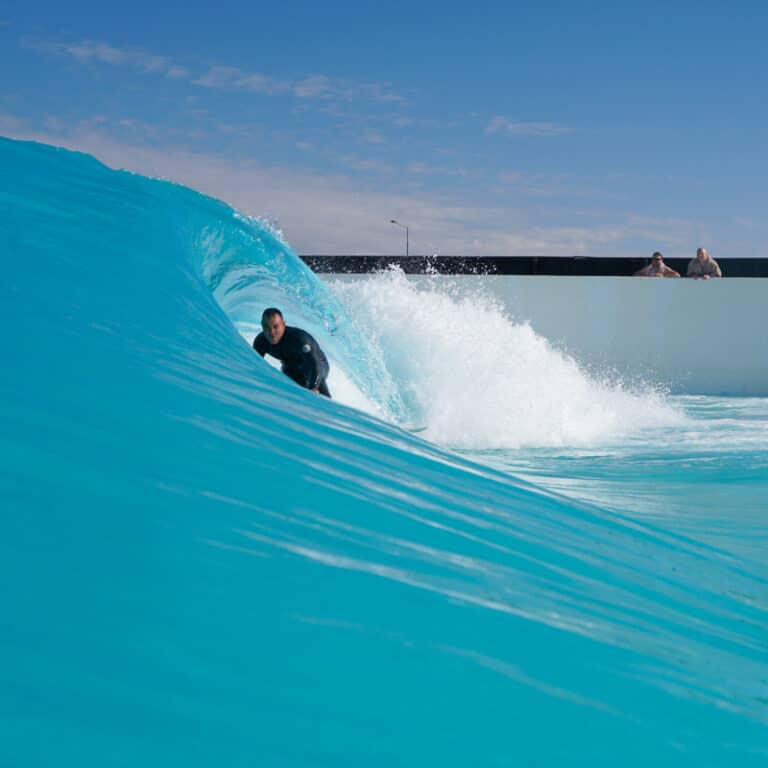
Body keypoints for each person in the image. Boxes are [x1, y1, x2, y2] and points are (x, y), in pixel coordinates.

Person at [253, 308, 331, 397]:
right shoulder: (260, 342)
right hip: (291, 365)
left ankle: (328, 404)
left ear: (283, 324)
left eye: (275, 326)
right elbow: (255, 366)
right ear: (262, 326)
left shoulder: (298, 339)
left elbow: (314, 364)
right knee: (289, 380)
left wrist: (314, 387)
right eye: (266, 327)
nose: (271, 333)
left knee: (312, 384)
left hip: (317, 364)